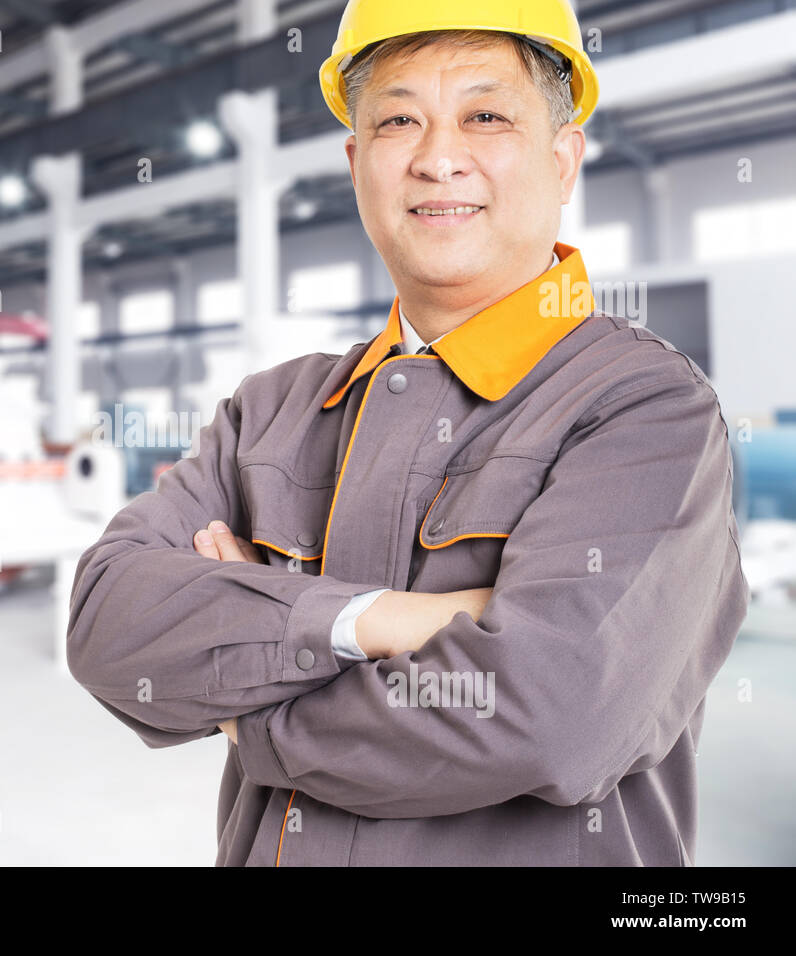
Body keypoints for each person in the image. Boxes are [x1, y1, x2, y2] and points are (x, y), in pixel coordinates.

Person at [66, 0, 749, 866]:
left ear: (564, 157)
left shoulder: (644, 409)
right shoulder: (269, 410)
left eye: (486, 115)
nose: (437, 158)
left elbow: (555, 716)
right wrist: (383, 622)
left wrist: (251, 700)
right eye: (398, 121)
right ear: (357, 165)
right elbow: (106, 628)